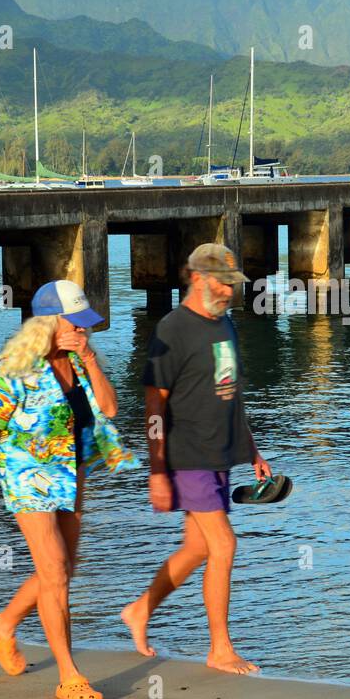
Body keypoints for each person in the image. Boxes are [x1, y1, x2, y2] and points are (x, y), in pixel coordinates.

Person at [0, 280, 138, 699]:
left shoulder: (79, 364)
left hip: (72, 474)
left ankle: (3, 624)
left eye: (84, 326)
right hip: (27, 476)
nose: (81, 331)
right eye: (73, 325)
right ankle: (69, 675)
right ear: (47, 325)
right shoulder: (13, 369)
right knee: (56, 571)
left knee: (61, 568)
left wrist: (90, 358)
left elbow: (110, 410)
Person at [121, 243, 273, 676]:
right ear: (197, 278)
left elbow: (230, 394)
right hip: (187, 453)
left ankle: (140, 609)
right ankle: (220, 648)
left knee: (198, 547)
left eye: (232, 285)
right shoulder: (173, 330)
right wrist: (156, 469)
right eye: (222, 284)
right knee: (225, 544)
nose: (229, 293)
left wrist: (252, 450)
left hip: (220, 452)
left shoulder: (225, 325)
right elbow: (153, 404)